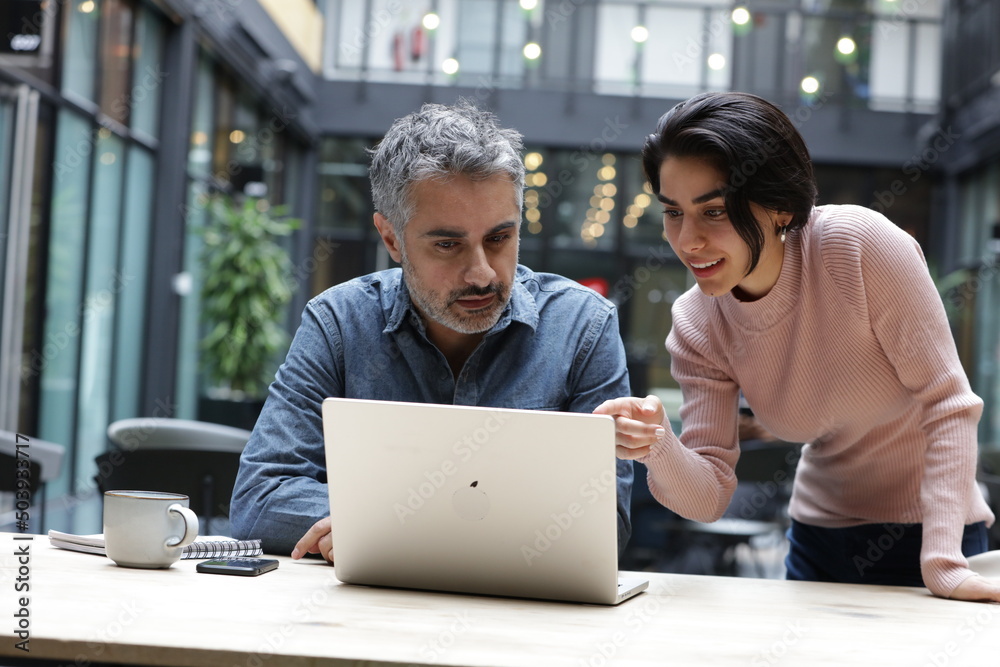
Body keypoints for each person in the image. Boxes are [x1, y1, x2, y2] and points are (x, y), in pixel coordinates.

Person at [596, 91, 1000, 603]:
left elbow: (948, 403)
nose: (687, 240)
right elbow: (709, 495)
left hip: (941, 535)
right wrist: (657, 444)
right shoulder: (698, 322)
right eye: (673, 212)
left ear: (780, 208)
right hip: (818, 540)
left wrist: (942, 564)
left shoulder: (858, 246)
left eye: (714, 211)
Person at [231, 101, 634, 562]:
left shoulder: (583, 327)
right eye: (448, 244)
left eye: (500, 238)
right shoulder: (339, 323)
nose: (482, 273)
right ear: (391, 239)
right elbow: (259, 499)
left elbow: (605, 525)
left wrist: (386, 524)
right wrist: (448, 526)